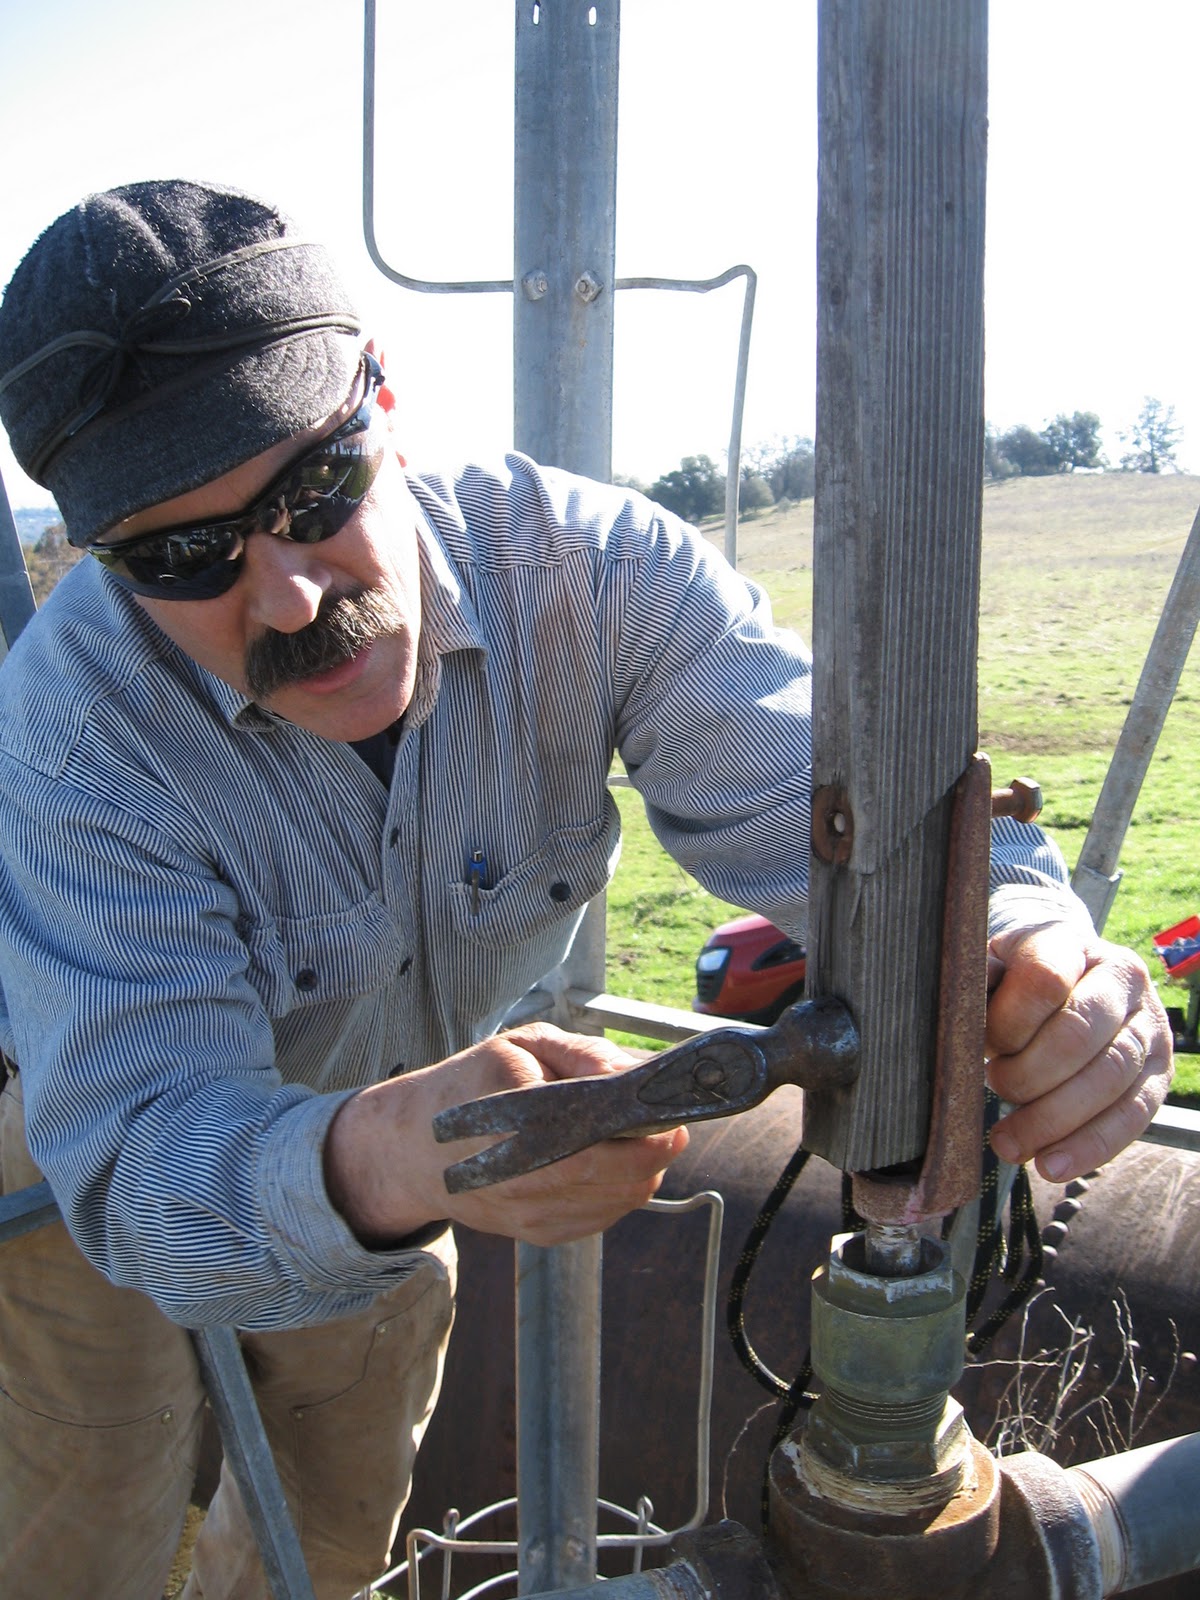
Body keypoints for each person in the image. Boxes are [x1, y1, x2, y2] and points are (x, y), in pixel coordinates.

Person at [0, 181, 1173, 1599]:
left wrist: (1036, 955)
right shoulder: (75, 733)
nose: (295, 597)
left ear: (385, 404)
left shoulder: (591, 574)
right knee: (81, 1544)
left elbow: (842, 823)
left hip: (411, 1169)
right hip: (89, 1176)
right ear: (110, 567)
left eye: (313, 493)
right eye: (187, 558)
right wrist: (395, 1155)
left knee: (327, 1531)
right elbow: (146, 1170)